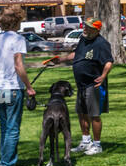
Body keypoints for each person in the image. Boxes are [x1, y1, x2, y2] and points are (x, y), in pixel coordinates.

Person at [47, 18, 113, 155]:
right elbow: (77, 54)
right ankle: (86, 141)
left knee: (94, 115)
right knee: (81, 112)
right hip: (81, 85)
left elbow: (108, 62)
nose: (85, 29)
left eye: (88, 27)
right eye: (85, 26)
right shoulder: (83, 39)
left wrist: (103, 76)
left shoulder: (102, 44)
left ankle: (97, 145)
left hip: (93, 84)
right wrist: (61, 59)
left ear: (96, 30)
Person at [0, 5, 37, 166]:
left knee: (4, 126)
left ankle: (4, 160)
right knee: (12, 128)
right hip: (13, 89)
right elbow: (19, 65)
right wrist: (29, 87)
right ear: (16, 21)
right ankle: (8, 164)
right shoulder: (17, 39)